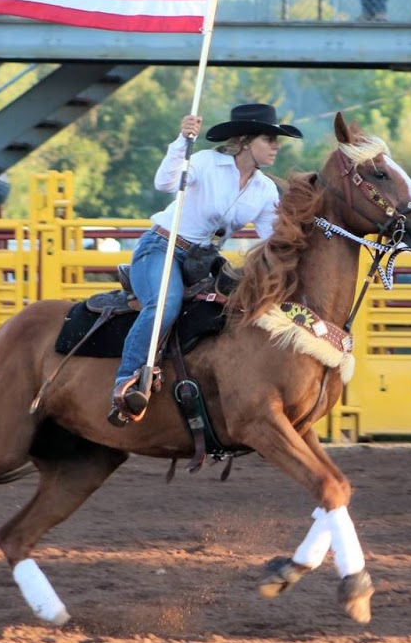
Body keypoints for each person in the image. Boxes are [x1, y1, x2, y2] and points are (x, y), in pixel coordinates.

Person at [110, 102, 300, 425]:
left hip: (203, 262)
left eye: (276, 140)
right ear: (245, 140)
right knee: (165, 305)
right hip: (162, 247)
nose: (276, 146)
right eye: (268, 139)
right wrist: (181, 142)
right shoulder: (205, 163)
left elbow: (273, 240)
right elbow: (165, 182)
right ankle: (126, 380)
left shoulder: (265, 189)